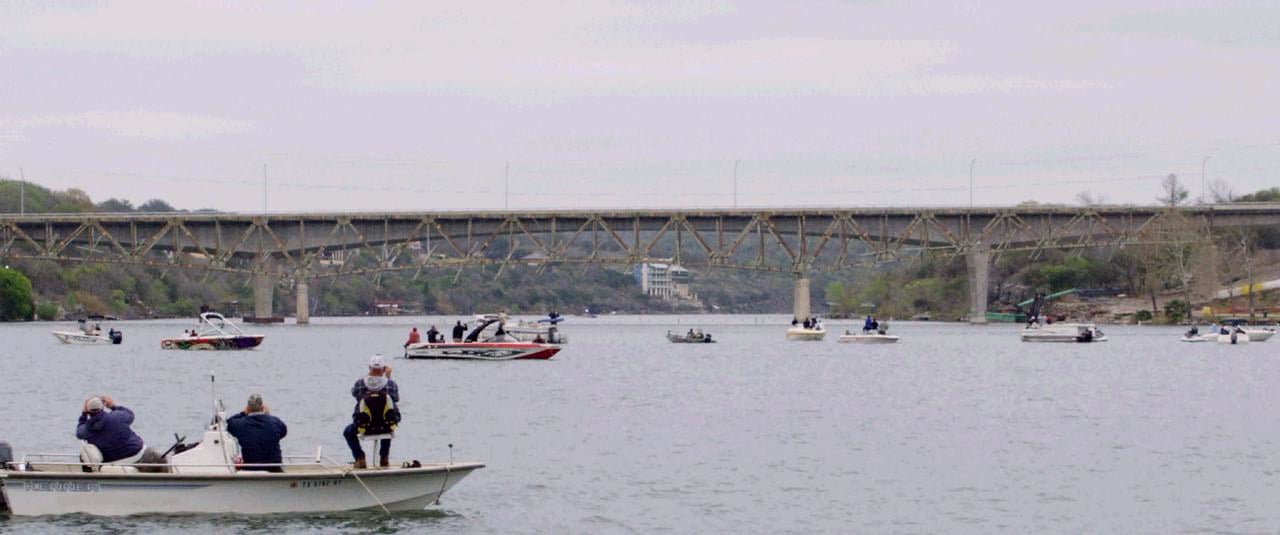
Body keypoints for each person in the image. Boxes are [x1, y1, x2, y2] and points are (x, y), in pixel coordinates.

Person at [76, 395, 165, 471]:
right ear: (102, 407)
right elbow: (130, 415)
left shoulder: (87, 429)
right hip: (138, 454)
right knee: (161, 460)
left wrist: (83, 414)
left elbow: (79, 432)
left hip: (114, 462)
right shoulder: (117, 416)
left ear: (88, 411)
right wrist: (113, 406)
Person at [343, 355, 400, 469]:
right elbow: (395, 398)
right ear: (384, 369)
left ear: (369, 368)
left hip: (364, 426)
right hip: (385, 426)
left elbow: (355, 393)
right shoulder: (391, 384)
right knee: (389, 420)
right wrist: (388, 377)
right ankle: (384, 458)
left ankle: (360, 458)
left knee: (348, 432)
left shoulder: (360, 383)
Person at [226, 394, 288, 472]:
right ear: (262, 408)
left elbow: (228, 423)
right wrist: (268, 416)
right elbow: (283, 432)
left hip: (251, 469)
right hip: (274, 468)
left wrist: (243, 413)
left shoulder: (239, 424)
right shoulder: (275, 422)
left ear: (248, 409)